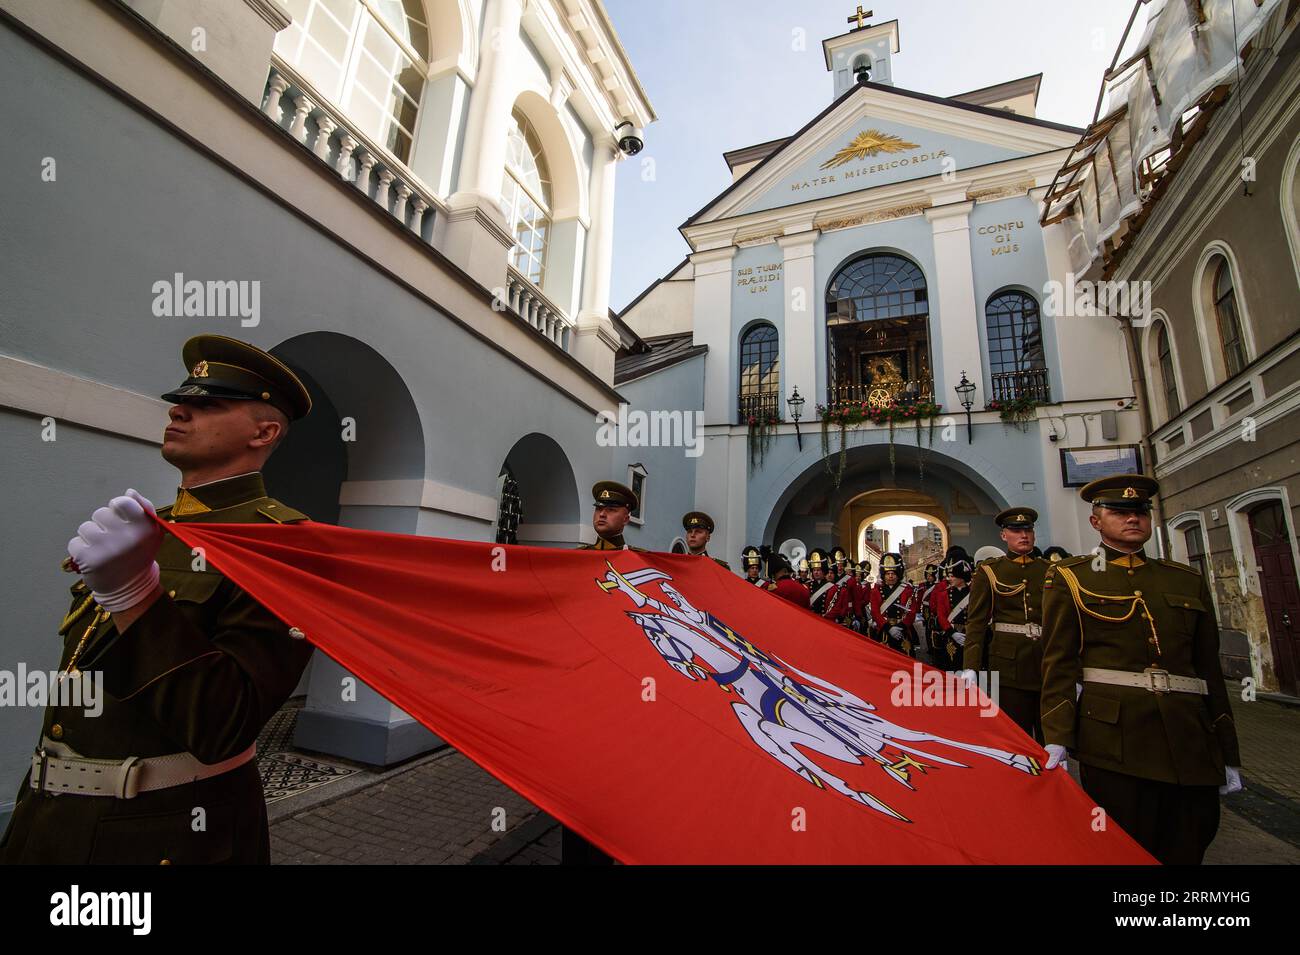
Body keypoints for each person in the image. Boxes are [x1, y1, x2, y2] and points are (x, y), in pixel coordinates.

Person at [0, 335, 314, 864]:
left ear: (265, 431)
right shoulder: (153, 525)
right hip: (48, 816)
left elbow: (225, 725)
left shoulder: (285, 545)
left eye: (208, 404)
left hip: (163, 830)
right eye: (181, 399)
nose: (179, 409)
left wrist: (135, 595)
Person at [1040, 475, 1242, 865]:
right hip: (1115, 738)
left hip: (1190, 739)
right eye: (1119, 512)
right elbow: (1059, 662)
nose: (1133, 519)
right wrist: (1058, 736)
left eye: (1140, 512)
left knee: (1192, 838)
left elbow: (1208, 670)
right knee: (1125, 842)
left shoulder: (1185, 578)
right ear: (1096, 521)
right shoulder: (1071, 577)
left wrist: (1228, 749)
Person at [960, 508, 1049, 740]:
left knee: (1049, 737)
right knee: (1014, 735)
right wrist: (971, 665)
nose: (1023, 535)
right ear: (1003, 536)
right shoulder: (990, 572)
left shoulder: (1050, 571)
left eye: (1028, 529)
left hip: (1047, 660)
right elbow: (977, 623)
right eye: (1016, 530)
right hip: (1009, 663)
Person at [931, 553, 973, 671]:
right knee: (952, 669)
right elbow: (941, 616)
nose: (949, 579)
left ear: (961, 576)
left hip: (970, 636)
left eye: (952, 576)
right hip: (951, 636)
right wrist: (951, 632)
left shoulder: (974, 594)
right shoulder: (943, 595)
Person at [867, 553, 917, 654]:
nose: (890, 576)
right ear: (883, 575)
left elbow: (912, 612)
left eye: (893, 573)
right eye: (887, 573)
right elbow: (875, 612)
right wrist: (888, 628)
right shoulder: (876, 591)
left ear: (898, 574)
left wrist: (901, 627)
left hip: (901, 630)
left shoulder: (907, 590)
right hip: (884, 630)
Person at [807, 549, 832, 615]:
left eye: (818, 570)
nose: (816, 572)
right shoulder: (808, 585)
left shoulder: (831, 587)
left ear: (823, 571)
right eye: (814, 570)